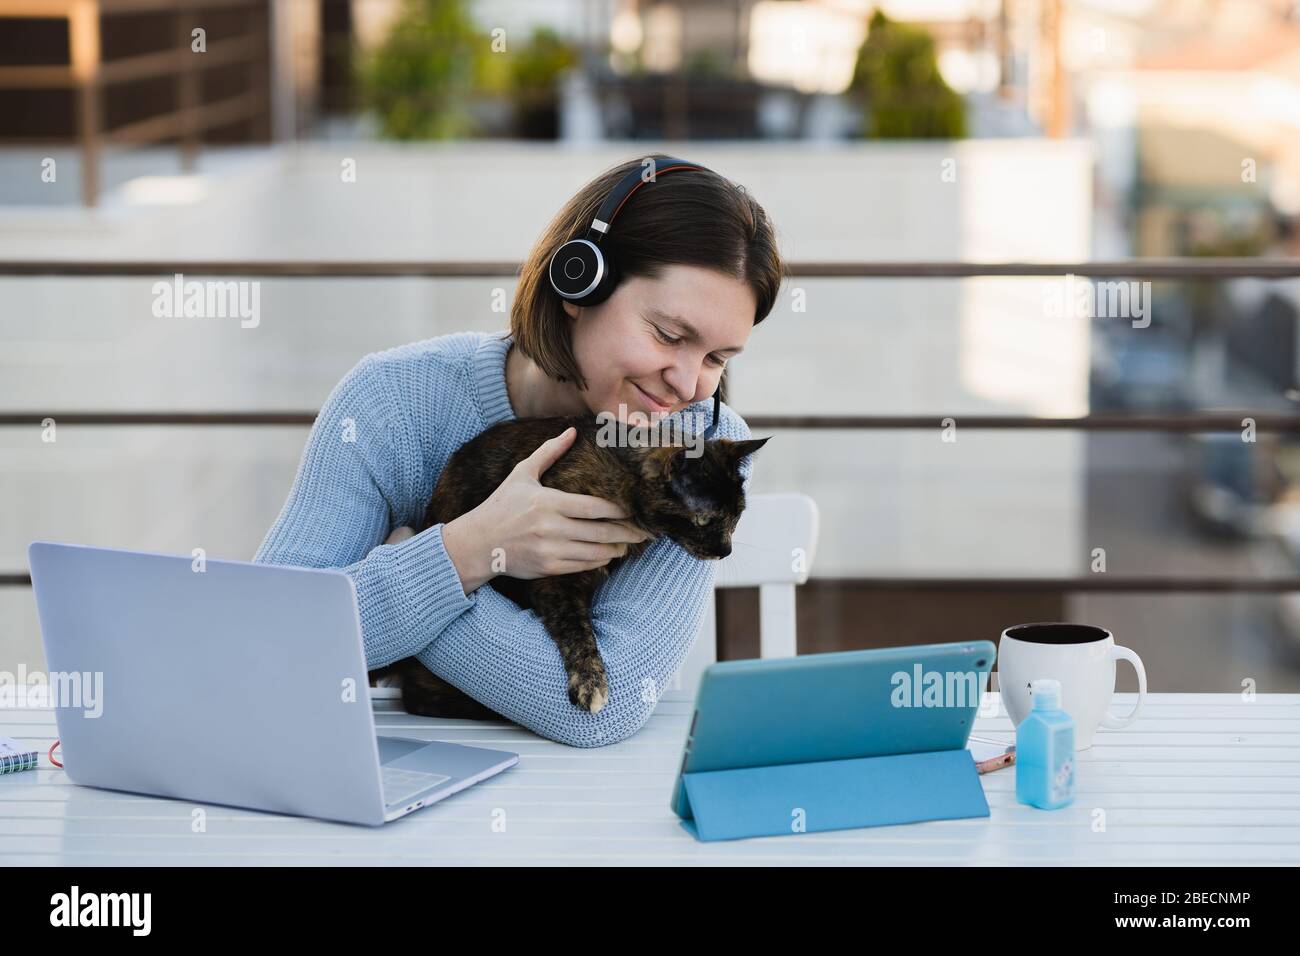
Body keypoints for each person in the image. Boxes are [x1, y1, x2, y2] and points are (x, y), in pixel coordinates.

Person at [252, 154, 785, 746]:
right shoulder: (393, 401)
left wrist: (405, 568)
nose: (687, 387)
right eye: (668, 335)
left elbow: (605, 707)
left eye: (716, 359)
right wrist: (467, 551)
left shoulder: (702, 451)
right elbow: (268, 641)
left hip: (577, 806)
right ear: (578, 282)